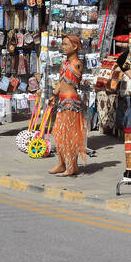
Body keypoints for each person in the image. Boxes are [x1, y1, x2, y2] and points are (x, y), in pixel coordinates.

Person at [49, 33, 87, 177]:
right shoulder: (65, 64)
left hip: (71, 102)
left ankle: (72, 167)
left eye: (66, 44)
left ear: (75, 46)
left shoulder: (77, 63)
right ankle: (61, 164)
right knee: (59, 134)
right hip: (62, 101)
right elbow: (60, 82)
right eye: (63, 44)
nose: (62, 47)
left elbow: (70, 81)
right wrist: (53, 95)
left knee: (69, 135)